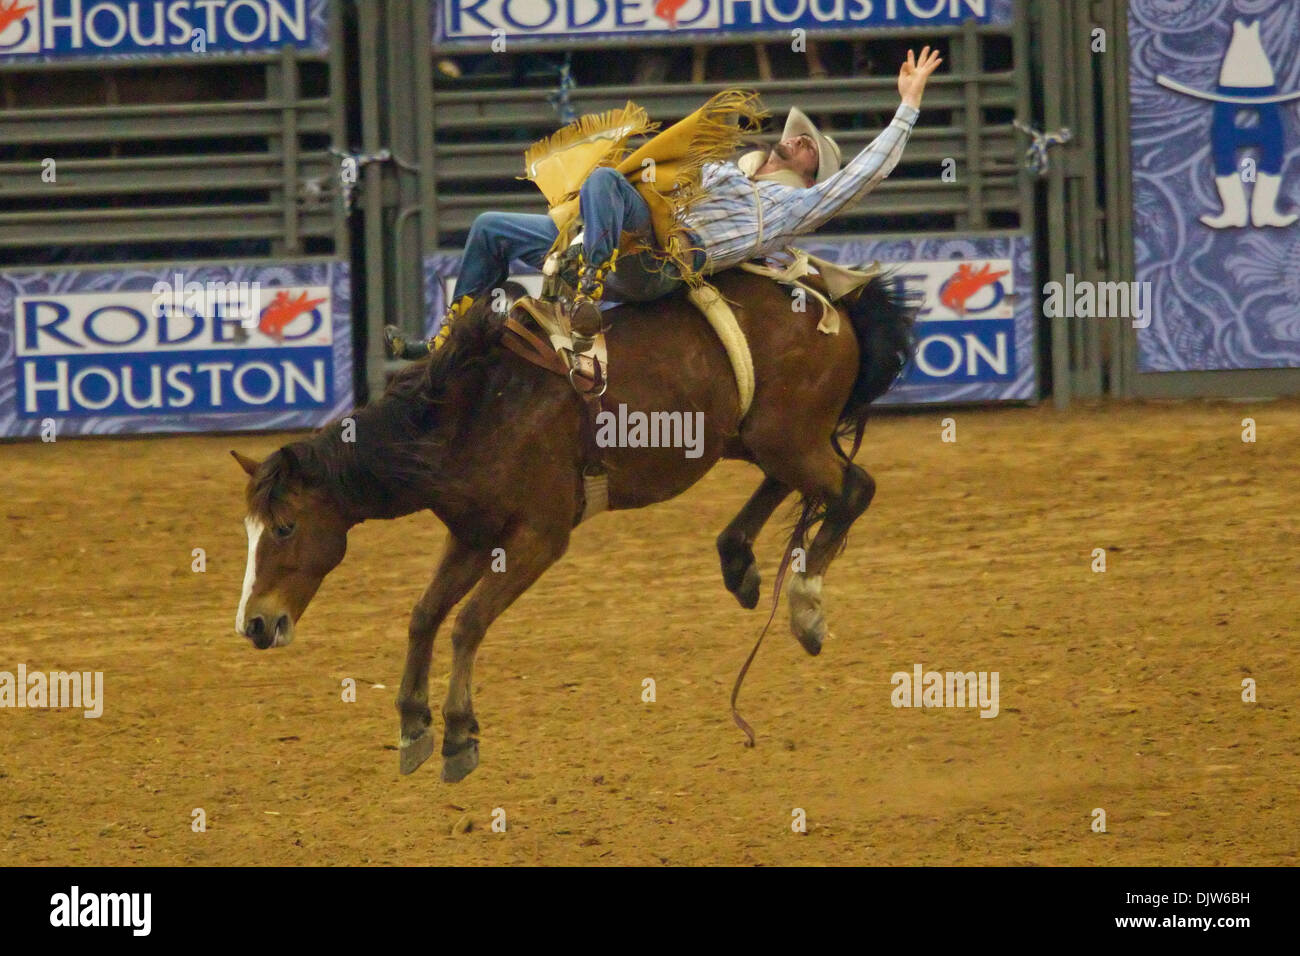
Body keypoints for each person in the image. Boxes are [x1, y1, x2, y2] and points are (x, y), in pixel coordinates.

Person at [386, 46, 942, 359]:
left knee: (606, 185)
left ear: (810, 170)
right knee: (490, 227)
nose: (798, 138)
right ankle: (448, 340)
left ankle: (581, 294)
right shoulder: (726, 170)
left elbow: (866, 172)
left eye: (809, 146)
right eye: (800, 135)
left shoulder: (792, 207)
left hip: (662, 264)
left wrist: (908, 106)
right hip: (625, 240)